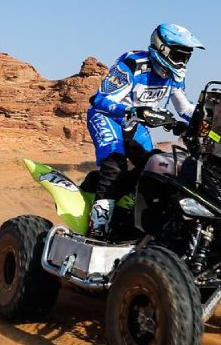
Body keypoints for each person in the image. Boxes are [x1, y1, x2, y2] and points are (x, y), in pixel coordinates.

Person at [84, 22, 204, 239]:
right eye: (178, 54)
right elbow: (99, 100)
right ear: (162, 48)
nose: (182, 61)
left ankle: (128, 217)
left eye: (186, 56)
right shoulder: (133, 65)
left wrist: (209, 115)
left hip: (135, 124)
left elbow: (184, 107)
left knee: (156, 166)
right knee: (115, 167)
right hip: (108, 118)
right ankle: (96, 231)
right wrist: (135, 111)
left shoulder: (175, 76)